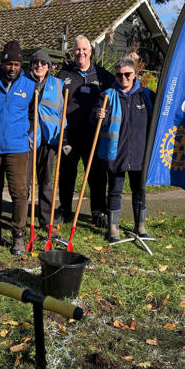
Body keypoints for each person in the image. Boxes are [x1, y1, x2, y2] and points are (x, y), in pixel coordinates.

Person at [0, 40, 35, 255]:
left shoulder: (29, 86)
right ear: (2, 63)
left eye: (16, 64)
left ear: (21, 65)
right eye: (9, 63)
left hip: (17, 147)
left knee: (19, 192)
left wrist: (26, 133)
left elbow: (33, 114)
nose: (12, 68)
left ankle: (18, 235)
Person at [94, 57, 155, 242]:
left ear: (134, 74)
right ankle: (113, 229)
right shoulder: (107, 96)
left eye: (127, 74)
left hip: (140, 153)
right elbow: (98, 121)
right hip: (116, 152)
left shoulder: (146, 95)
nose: (124, 78)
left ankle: (140, 226)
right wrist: (98, 116)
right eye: (119, 75)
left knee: (139, 190)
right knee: (114, 190)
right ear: (115, 76)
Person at [56, 35, 114, 227]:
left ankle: (99, 212)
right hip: (70, 135)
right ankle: (65, 210)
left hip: (94, 136)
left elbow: (115, 98)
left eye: (84, 49)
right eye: (77, 49)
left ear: (90, 52)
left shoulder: (103, 76)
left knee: (97, 176)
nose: (80, 53)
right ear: (73, 52)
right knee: (66, 174)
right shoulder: (63, 75)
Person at [26, 49, 65, 228]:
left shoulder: (58, 84)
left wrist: (63, 137)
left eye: (43, 63)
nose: (39, 66)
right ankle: (20, 220)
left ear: (49, 66)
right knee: (23, 182)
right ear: (31, 65)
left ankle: (46, 220)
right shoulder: (23, 82)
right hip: (27, 138)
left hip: (49, 139)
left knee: (46, 182)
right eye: (36, 62)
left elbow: (61, 112)